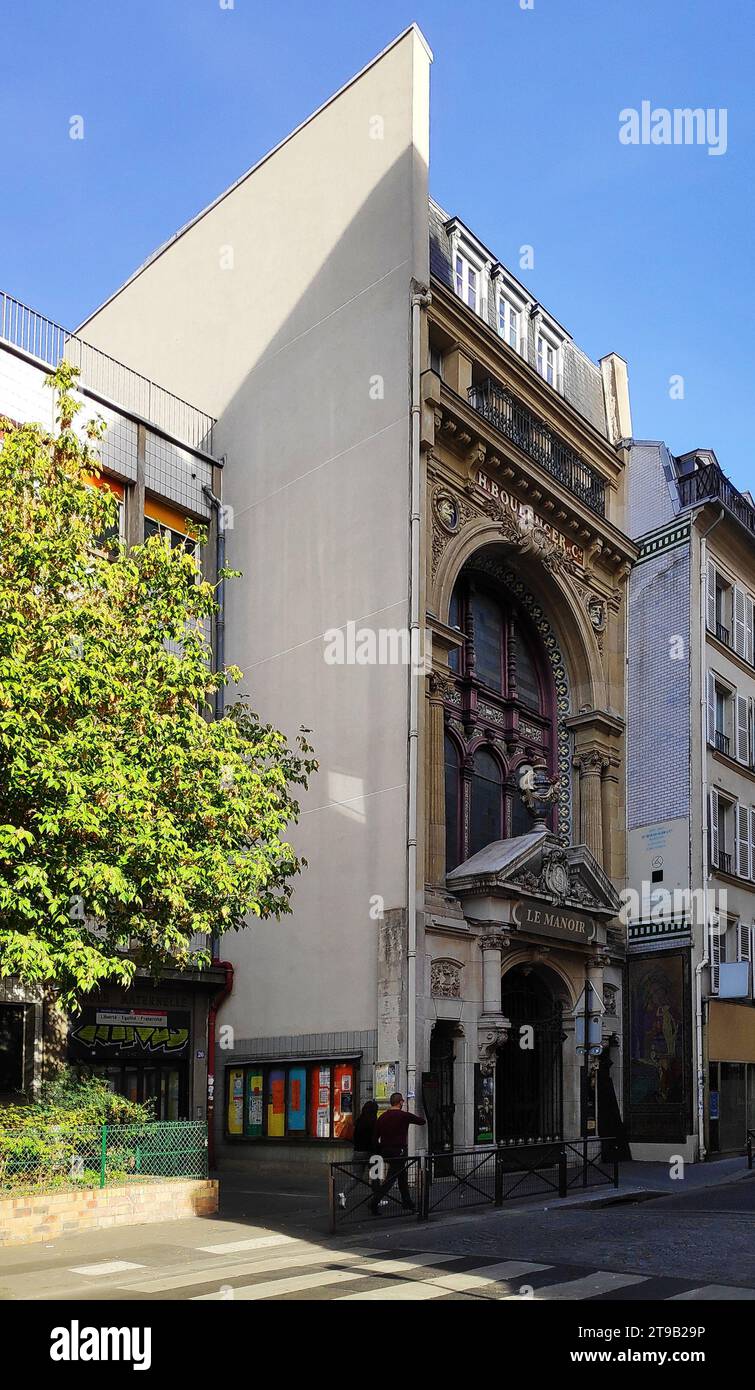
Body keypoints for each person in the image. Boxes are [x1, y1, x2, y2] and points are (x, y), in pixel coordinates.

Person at [370, 1092, 426, 1214]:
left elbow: (375, 1137)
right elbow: (421, 1121)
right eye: (402, 1101)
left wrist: (381, 1148)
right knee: (391, 1179)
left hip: (386, 1151)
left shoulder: (382, 1117)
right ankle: (374, 1202)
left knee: (402, 1177)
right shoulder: (403, 1116)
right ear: (400, 1102)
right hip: (399, 1151)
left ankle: (407, 1201)